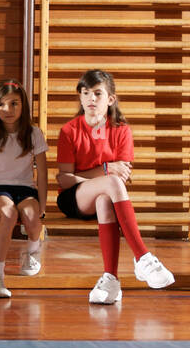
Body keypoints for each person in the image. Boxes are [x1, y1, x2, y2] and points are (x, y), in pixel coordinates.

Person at [55, 68, 176, 304]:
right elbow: (65, 179)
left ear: (110, 99)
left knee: (105, 199)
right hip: (74, 198)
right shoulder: (69, 131)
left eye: (98, 93)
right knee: (110, 182)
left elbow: (121, 180)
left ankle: (110, 279)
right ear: (80, 97)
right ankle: (142, 256)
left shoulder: (122, 131)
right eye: (86, 92)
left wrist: (99, 176)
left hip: (105, 200)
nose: (91, 98)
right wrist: (106, 170)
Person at [0, 80, 48, 297]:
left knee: (30, 214)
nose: (7, 110)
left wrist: (42, 206)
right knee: (8, 214)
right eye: (1, 104)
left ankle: (33, 250)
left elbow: (43, 173)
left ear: (23, 105)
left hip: (25, 189)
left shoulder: (34, 133)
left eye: (14, 104)